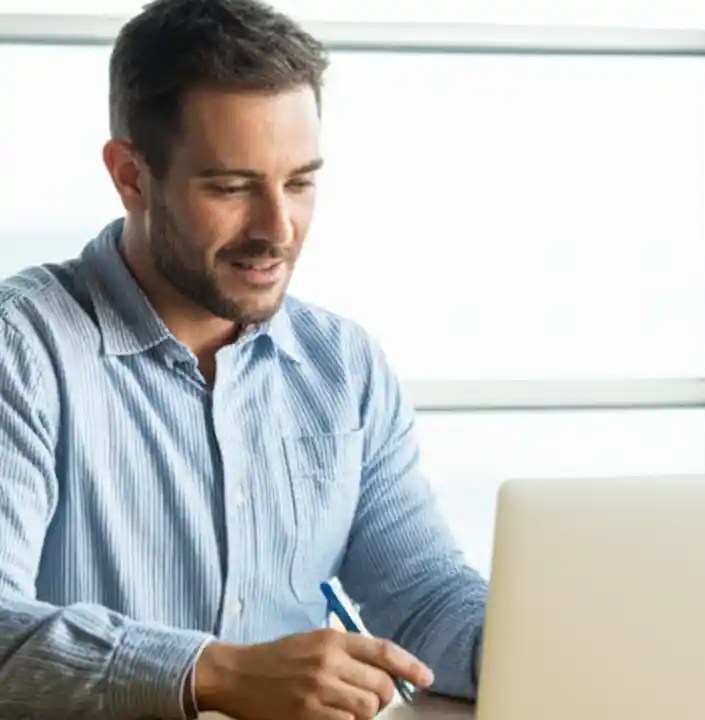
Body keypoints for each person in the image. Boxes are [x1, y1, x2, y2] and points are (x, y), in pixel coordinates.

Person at [0, 1, 486, 718]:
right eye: (231, 188)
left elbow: (422, 597)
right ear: (131, 176)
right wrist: (211, 673)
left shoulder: (341, 367)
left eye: (299, 182)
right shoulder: (22, 353)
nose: (277, 229)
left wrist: (551, 644)